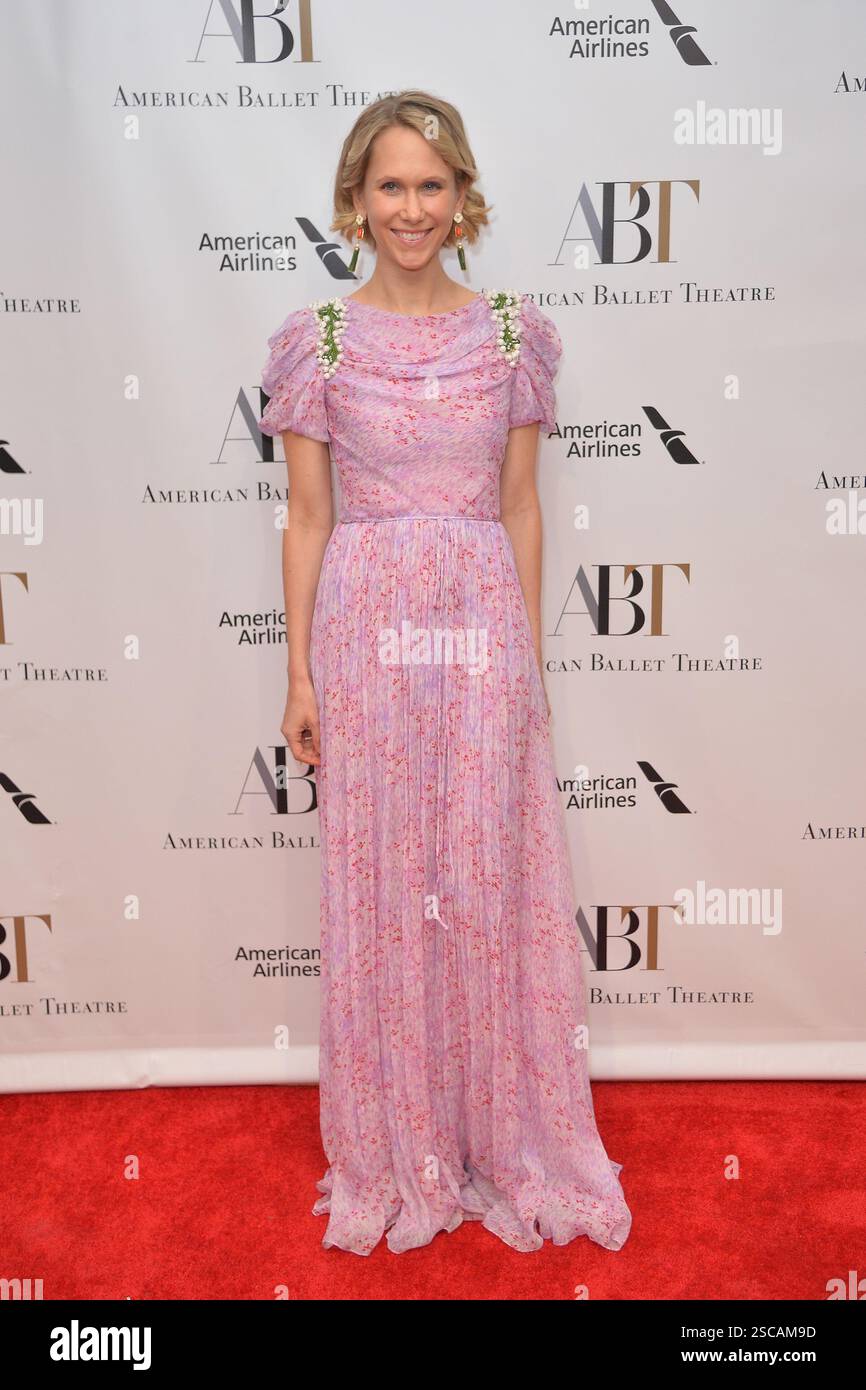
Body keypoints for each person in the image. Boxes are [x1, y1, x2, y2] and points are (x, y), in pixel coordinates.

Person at [258, 89, 632, 1256]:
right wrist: (299, 678)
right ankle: (396, 1141)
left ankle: (498, 1134)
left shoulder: (514, 333)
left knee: (481, 881)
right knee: (381, 885)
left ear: (460, 196)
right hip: (365, 634)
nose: (410, 208)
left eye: (430, 185)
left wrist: (523, 657)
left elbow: (519, 507)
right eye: (389, 187)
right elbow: (306, 520)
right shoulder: (313, 342)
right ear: (353, 202)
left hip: (478, 633)